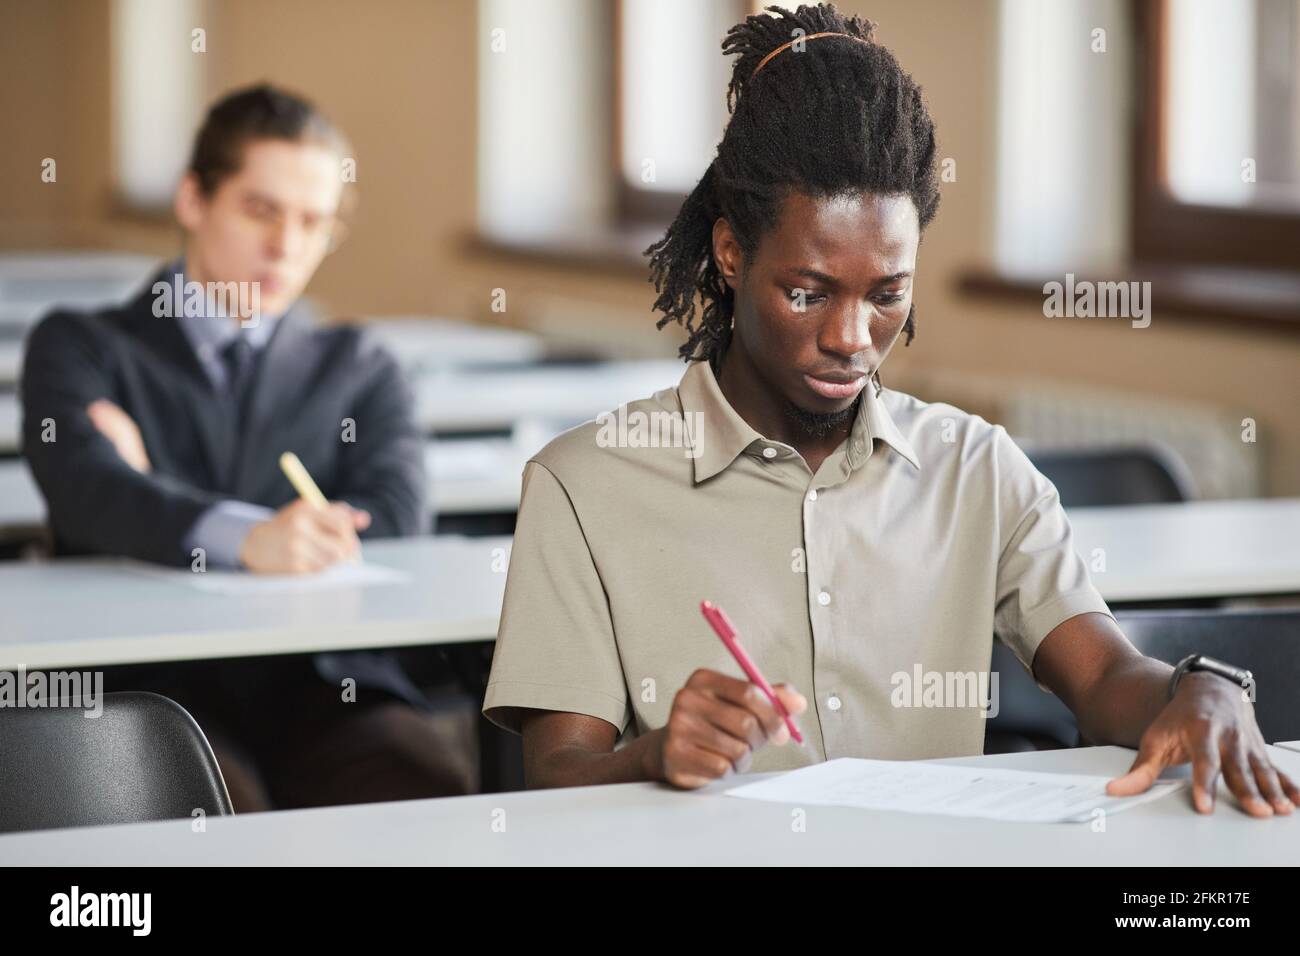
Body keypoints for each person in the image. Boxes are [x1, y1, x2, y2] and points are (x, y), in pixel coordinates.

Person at [483, 3, 1298, 817]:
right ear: (731, 253)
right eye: (807, 293)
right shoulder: (583, 486)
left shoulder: (977, 469)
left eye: (887, 295)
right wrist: (654, 756)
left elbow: (1107, 677)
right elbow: (556, 777)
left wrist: (1201, 690)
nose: (850, 338)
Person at [22, 83, 474, 810]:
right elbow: (88, 491)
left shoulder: (359, 364)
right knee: (205, 802)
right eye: (261, 210)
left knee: (421, 788)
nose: (286, 247)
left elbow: (395, 515)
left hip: (325, 681)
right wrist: (253, 536)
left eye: (313, 222)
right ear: (193, 199)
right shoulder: (80, 345)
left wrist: (158, 492)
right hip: (154, 682)